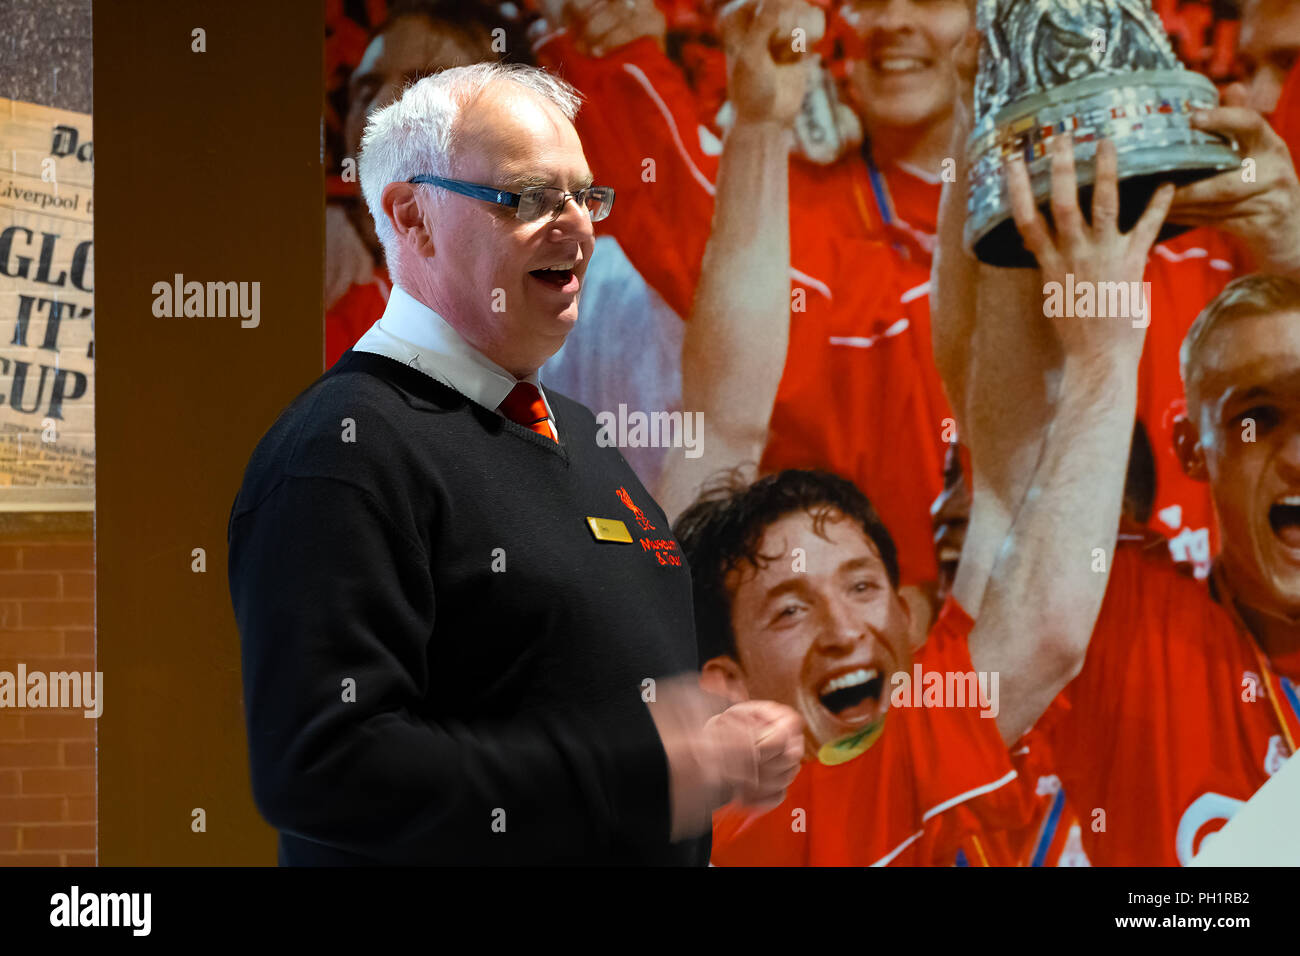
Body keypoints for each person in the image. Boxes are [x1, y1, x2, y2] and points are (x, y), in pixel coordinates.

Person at [227, 62, 804, 865]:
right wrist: (646, 770)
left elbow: (570, 692)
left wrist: (712, 739)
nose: (576, 226)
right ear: (414, 217)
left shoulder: (576, 432)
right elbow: (324, 768)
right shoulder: (344, 448)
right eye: (529, 198)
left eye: (584, 196)